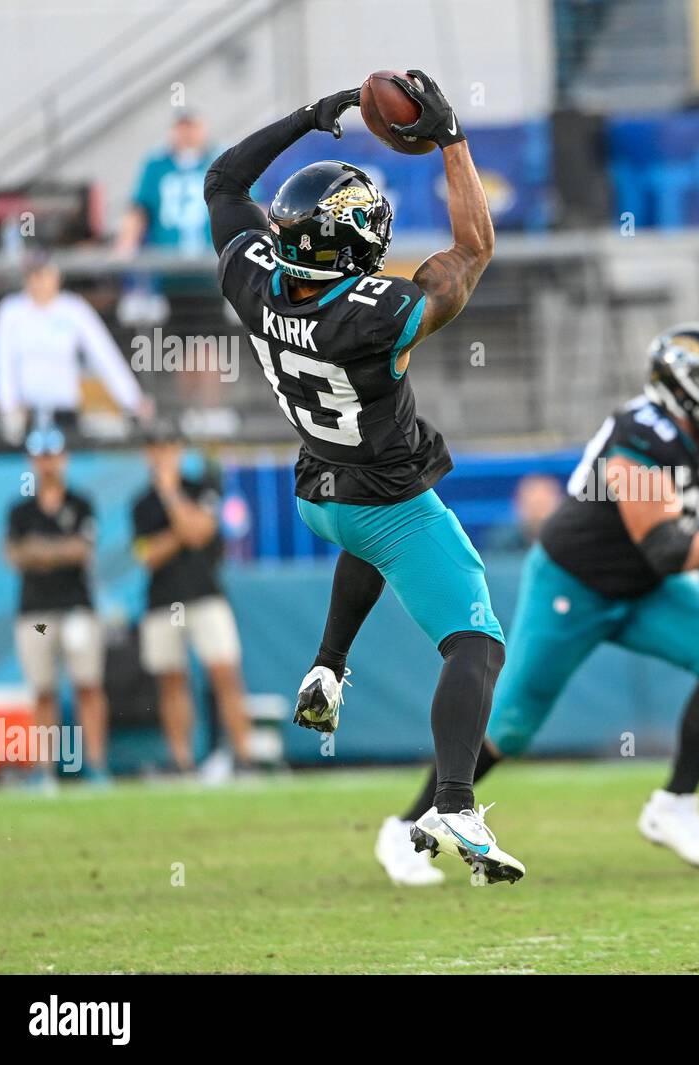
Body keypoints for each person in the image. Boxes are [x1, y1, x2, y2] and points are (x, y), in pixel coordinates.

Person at [205, 72, 524, 884]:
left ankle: (327, 661)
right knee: (477, 641)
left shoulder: (250, 278)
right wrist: (451, 139)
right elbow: (474, 251)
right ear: (352, 247)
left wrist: (311, 118)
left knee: (368, 534)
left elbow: (224, 180)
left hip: (317, 492)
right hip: (386, 500)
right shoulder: (373, 315)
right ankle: (453, 798)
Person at [374, 324, 699, 886]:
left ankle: (675, 804)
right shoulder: (640, 437)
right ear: (680, 389)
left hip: (647, 583)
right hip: (575, 585)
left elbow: (671, 537)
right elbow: (664, 549)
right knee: (510, 727)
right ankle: (406, 827)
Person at [132, 421, 251, 775]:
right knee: (171, 680)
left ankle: (245, 758)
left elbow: (200, 534)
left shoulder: (201, 487)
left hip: (204, 594)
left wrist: (171, 498)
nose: (163, 455)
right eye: (157, 448)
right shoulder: (140, 504)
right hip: (163, 600)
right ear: (147, 454)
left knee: (225, 673)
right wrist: (181, 528)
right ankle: (181, 761)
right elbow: (147, 555)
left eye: (169, 447)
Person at [4, 426, 109, 787]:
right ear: (34, 460)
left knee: (88, 685)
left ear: (62, 458)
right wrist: (58, 550)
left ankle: (94, 762)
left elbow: (81, 550)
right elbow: (16, 555)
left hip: (76, 607)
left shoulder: (80, 502)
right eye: (41, 455)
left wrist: (40, 550)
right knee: (43, 689)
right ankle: (45, 769)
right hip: (36, 613)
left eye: (52, 454)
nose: (47, 463)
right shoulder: (21, 508)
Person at [0, 253, 148, 442]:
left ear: (56, 276)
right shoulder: (10, 311)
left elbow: (104, 354)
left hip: (66, 412)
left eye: (44, 275)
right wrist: (8, 407)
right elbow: (2, 362)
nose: (39, 282)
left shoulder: (73, 309)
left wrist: (133, 399)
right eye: (33, 275)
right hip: (25, 414)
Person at [116, 111, 219, 257]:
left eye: (191, 127)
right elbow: (139, 209)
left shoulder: (220, 162)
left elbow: (247, 204)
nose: (187, 134)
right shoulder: (157, 165)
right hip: (167, 258)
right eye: (181, 128)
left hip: (213, 257)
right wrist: (126, 244)